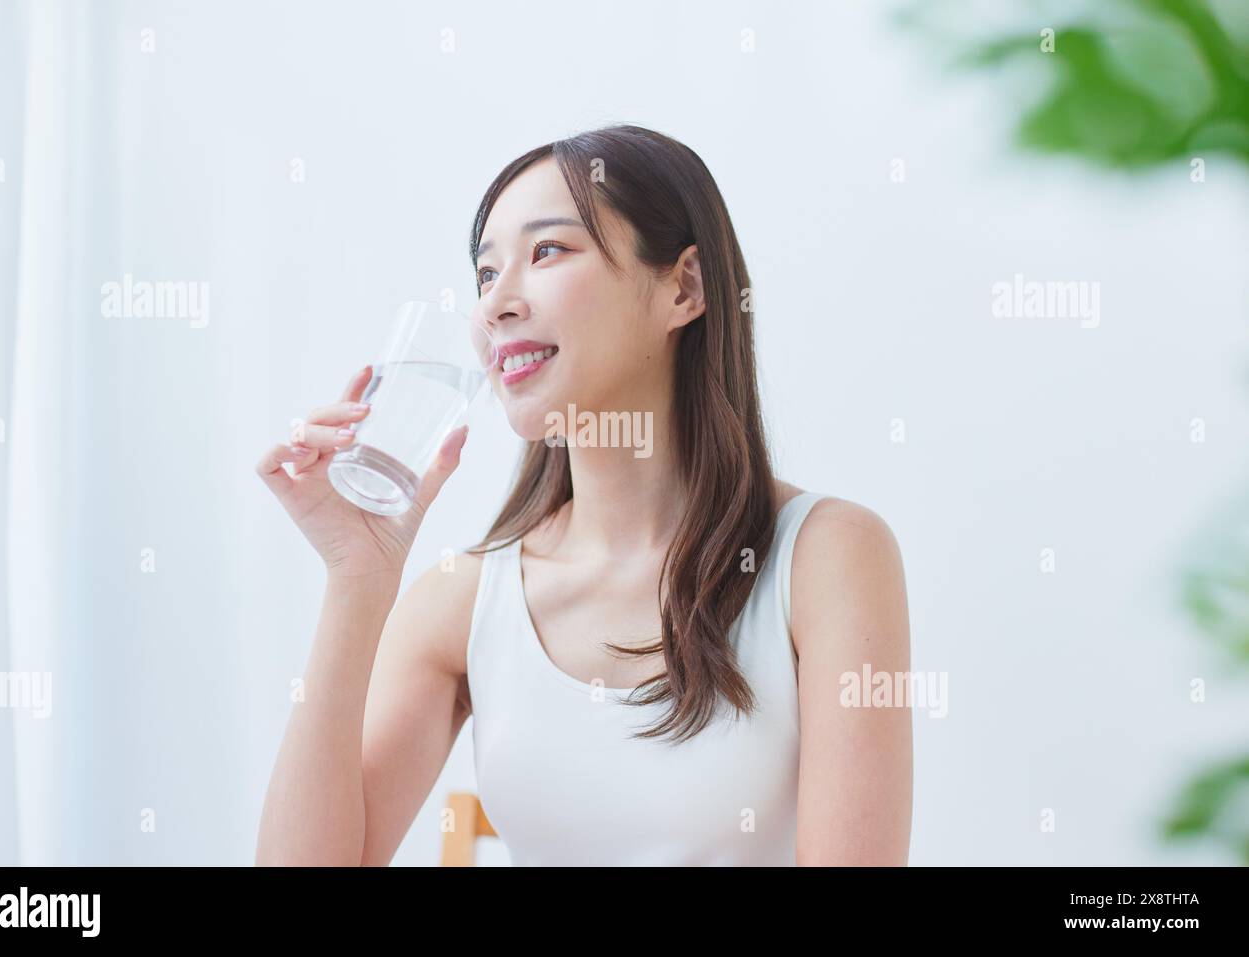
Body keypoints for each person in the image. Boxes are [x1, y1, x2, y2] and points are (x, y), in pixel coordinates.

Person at [254, 124, 912, 866]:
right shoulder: (463, 599)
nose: (495, 305)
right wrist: (356, 578)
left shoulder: (826, 556)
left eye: (547, 252)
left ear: (684, 288)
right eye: (485, 273)